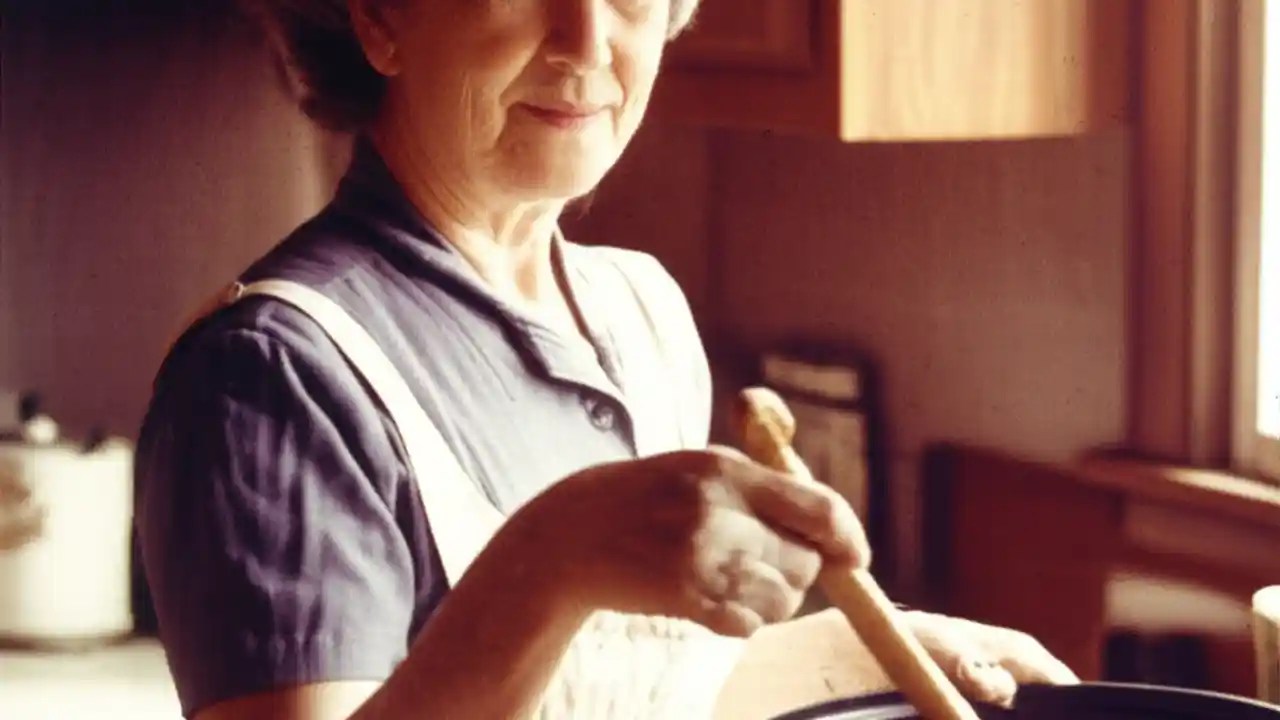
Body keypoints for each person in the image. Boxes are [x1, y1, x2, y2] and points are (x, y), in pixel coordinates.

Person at [135, 1, 1079, 718]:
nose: (587, 43)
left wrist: (878, 651)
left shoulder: (641, 313)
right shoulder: (270, 375)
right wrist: (553, 560)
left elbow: (645, 697)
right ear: (382, 18)